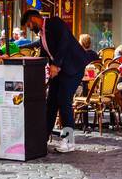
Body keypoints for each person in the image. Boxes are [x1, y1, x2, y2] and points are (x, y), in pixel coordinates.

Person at [22, 8, 90, 153]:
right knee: (51, 102)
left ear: (33, 19)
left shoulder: (55, 23)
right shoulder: (42, 34)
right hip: (60, 71)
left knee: (64, 100)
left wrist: (56, 64)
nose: (29, 29)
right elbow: (44, 52)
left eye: (28, 25)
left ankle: (69, 141)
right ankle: (43, 137)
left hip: (73, 68)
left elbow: (64, 43)